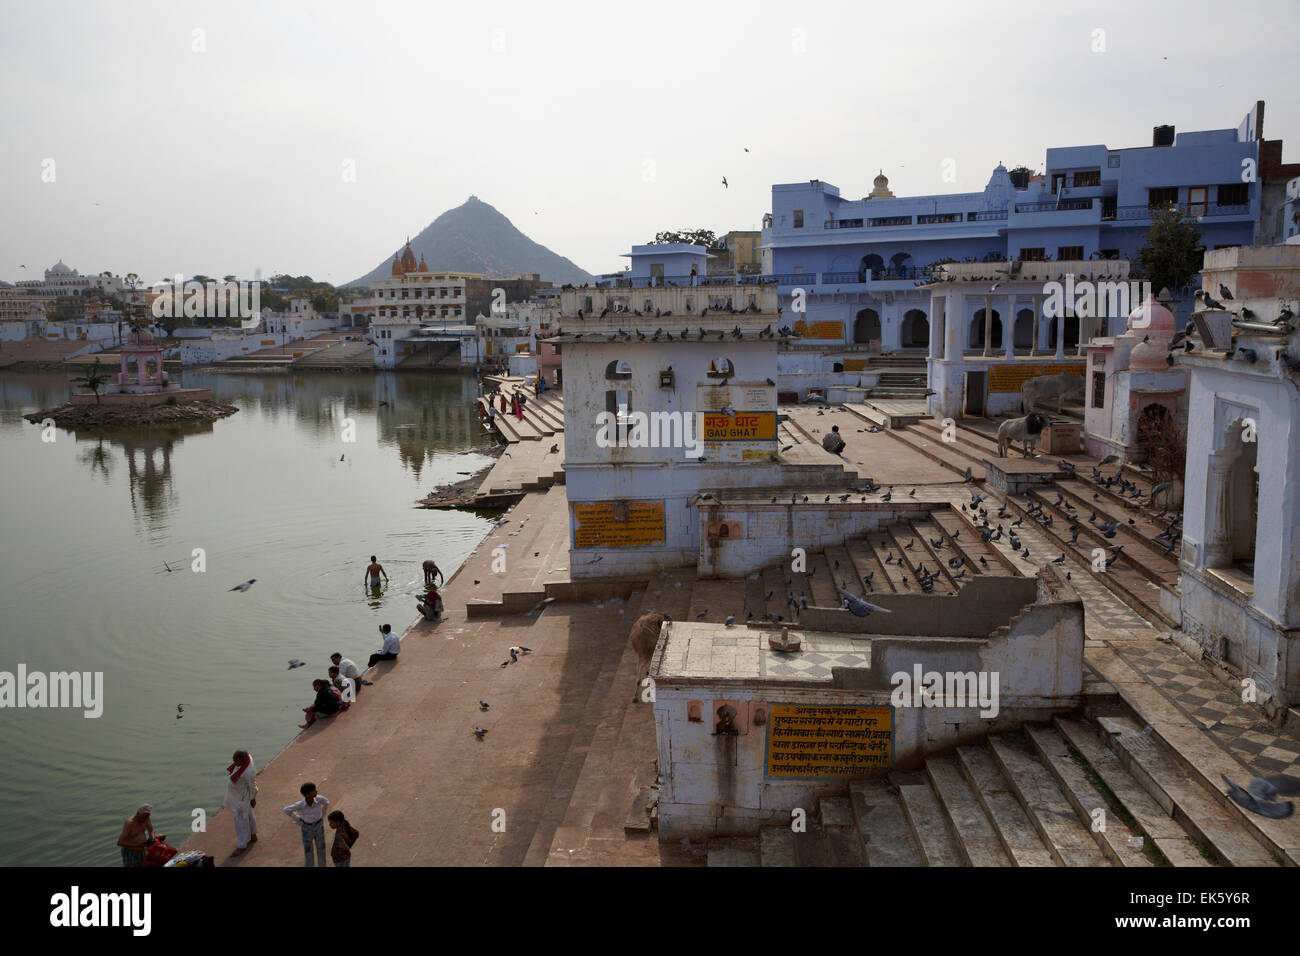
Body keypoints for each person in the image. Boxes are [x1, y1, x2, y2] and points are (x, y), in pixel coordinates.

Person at [283, 782, 330, 867]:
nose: (316, 791)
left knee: (321, 848)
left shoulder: (319, 799)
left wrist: (322, 815)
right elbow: (286, 810)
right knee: (308, 850)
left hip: (319, 826)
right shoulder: (300, 804)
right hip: (306, 828)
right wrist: (297, 819)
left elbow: (327, 803)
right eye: (313, 791)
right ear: (307, 794)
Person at [224, 750, 258, 855]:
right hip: (239, 796)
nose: (234, 763)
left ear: (242, 760)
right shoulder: (247, 759)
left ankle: (242, 845)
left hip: (242, 799)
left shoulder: (247, 772)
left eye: (236, 761)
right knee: (250, 816)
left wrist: (253, 798)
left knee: (240, 822)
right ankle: (253, 835)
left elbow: (253, 786)